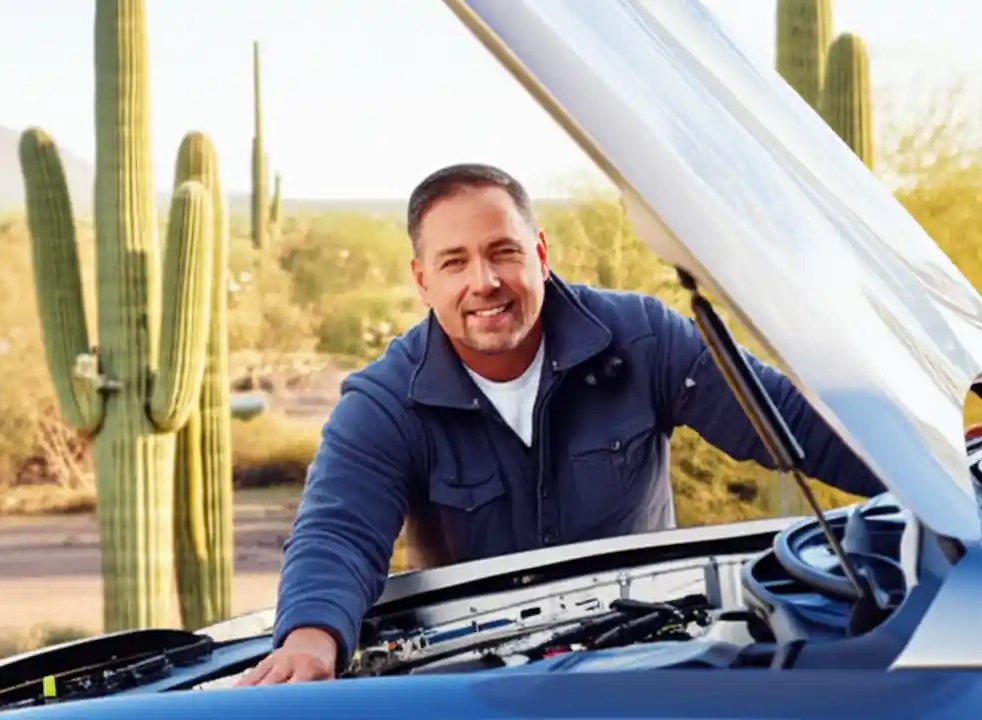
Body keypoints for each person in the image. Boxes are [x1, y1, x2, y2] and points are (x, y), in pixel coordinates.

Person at [235, 163, 884, 687]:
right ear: (422, 280)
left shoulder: (645, 339)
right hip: (481, 686)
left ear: (540, 254)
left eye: (504, 252)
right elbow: (339, 531)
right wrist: (312, 639)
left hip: (646, 664)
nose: (485, 281)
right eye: (455, 262)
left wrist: (928, 478)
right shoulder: (384, 401)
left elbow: (793, 425)